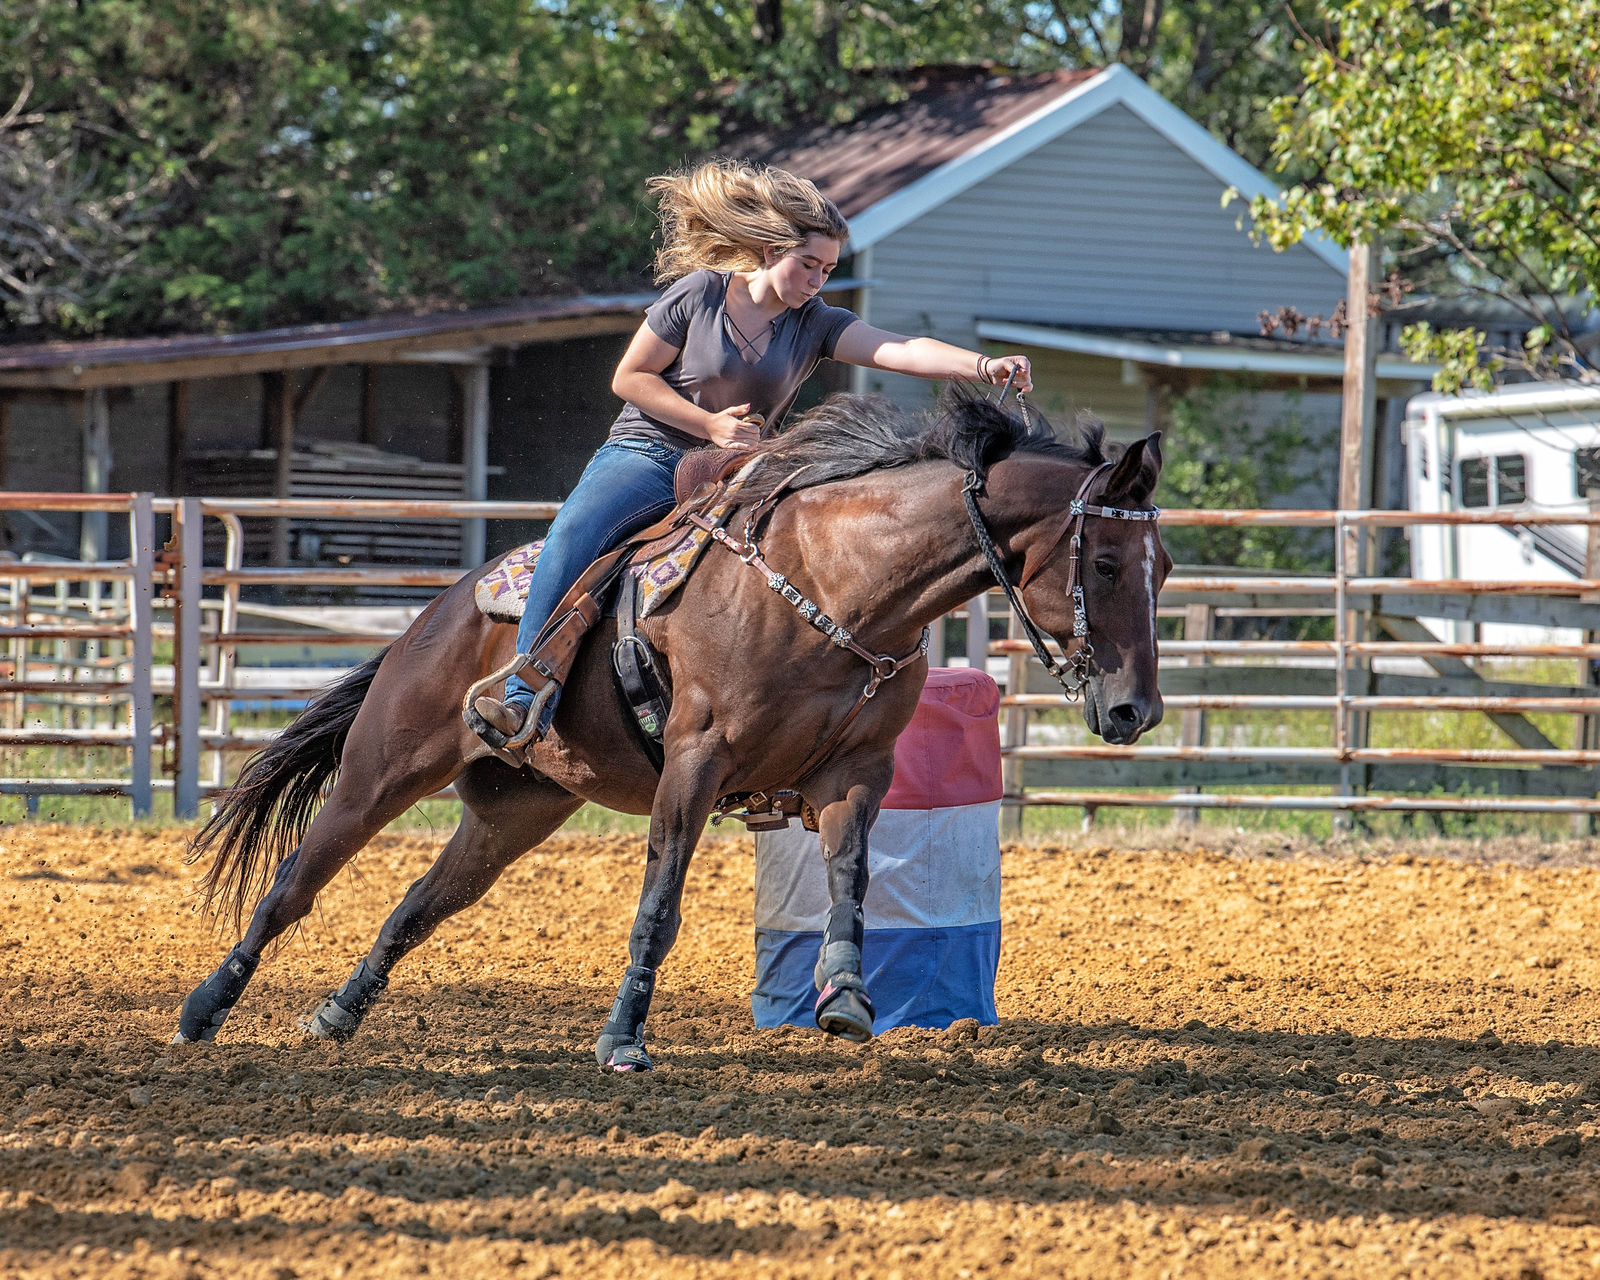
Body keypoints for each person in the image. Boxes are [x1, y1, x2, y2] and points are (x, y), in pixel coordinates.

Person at [472, 157, 1033, 750]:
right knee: (572, 537)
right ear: (769, 252)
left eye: (828, 270)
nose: (818, 280)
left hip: (744, 469)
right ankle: (524, 692)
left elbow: (901, 347)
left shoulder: (816, 323)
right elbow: (631, 377)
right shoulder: (700, 293)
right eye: (808, 264)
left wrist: (982, 365)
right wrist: (708, 424)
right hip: (648, 452)